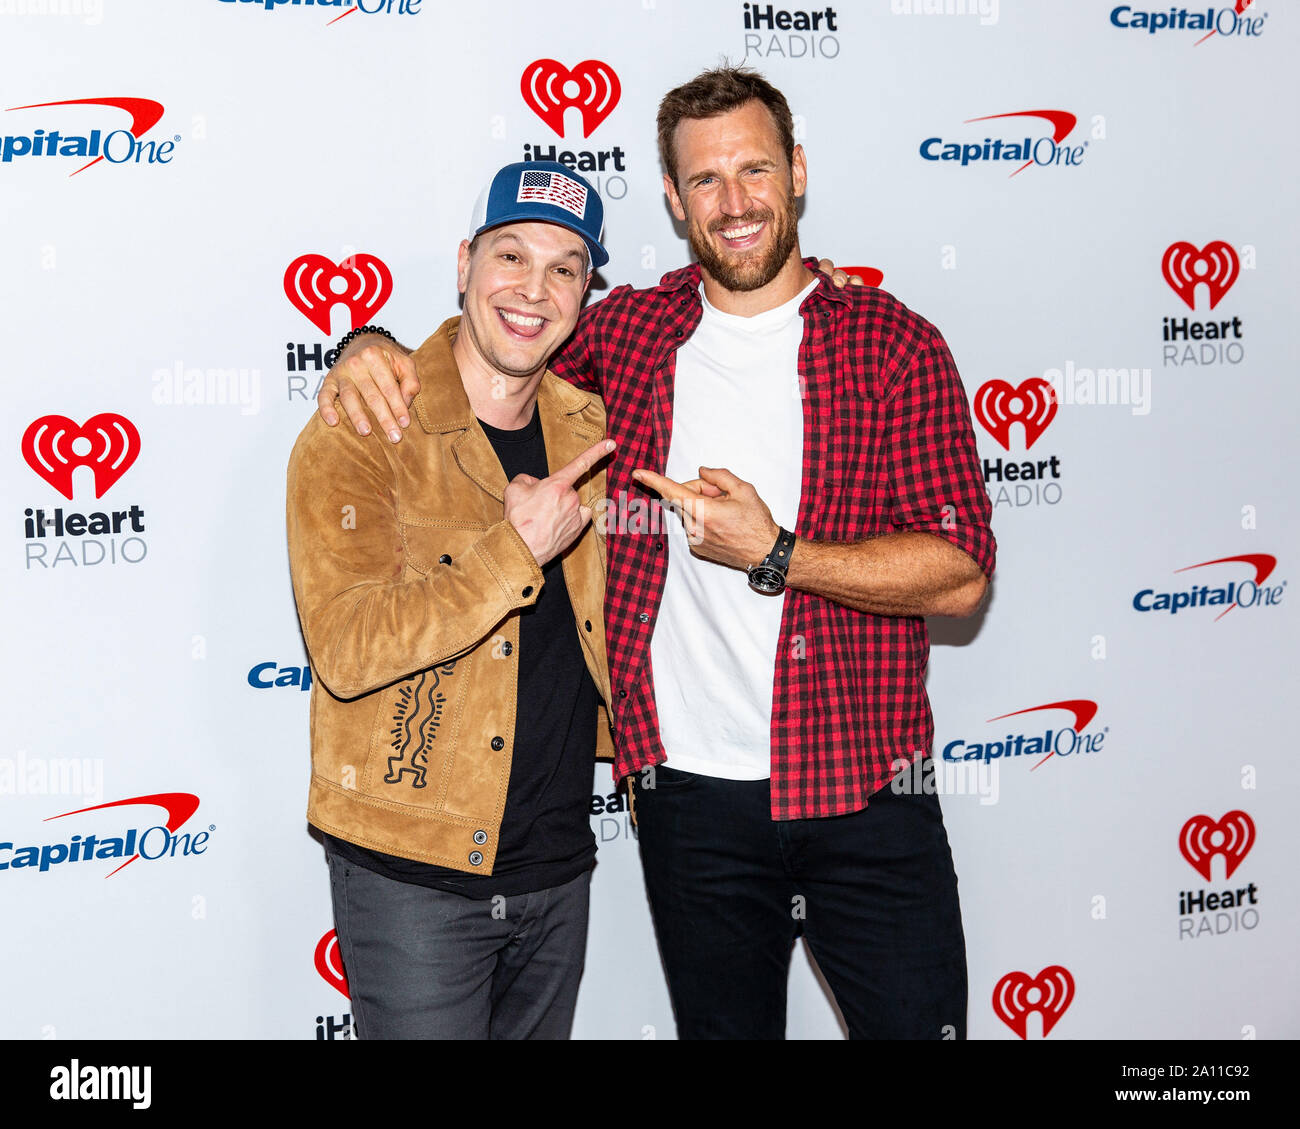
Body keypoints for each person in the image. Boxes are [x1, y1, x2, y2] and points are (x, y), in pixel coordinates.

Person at [317, 67, 996, 1040]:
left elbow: (961, 574)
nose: (736, 203)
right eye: (706, 182)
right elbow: (504, 335)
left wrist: (778, 554)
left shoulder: (893, 346)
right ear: (674, 202)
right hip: (692, 808)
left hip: (868, 797)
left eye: (754, 171)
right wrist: (369, 341)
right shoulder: (629, 333)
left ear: (796, 173)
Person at [286, 160, 617, 1039]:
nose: (533, 290)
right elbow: (348, 647)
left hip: (558, 865)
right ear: (464, 261)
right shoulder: (365, 422)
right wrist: (514, 551)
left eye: (564, 268)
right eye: (511, 256)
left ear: (588, 291)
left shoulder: (592, 425)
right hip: (415, 870)